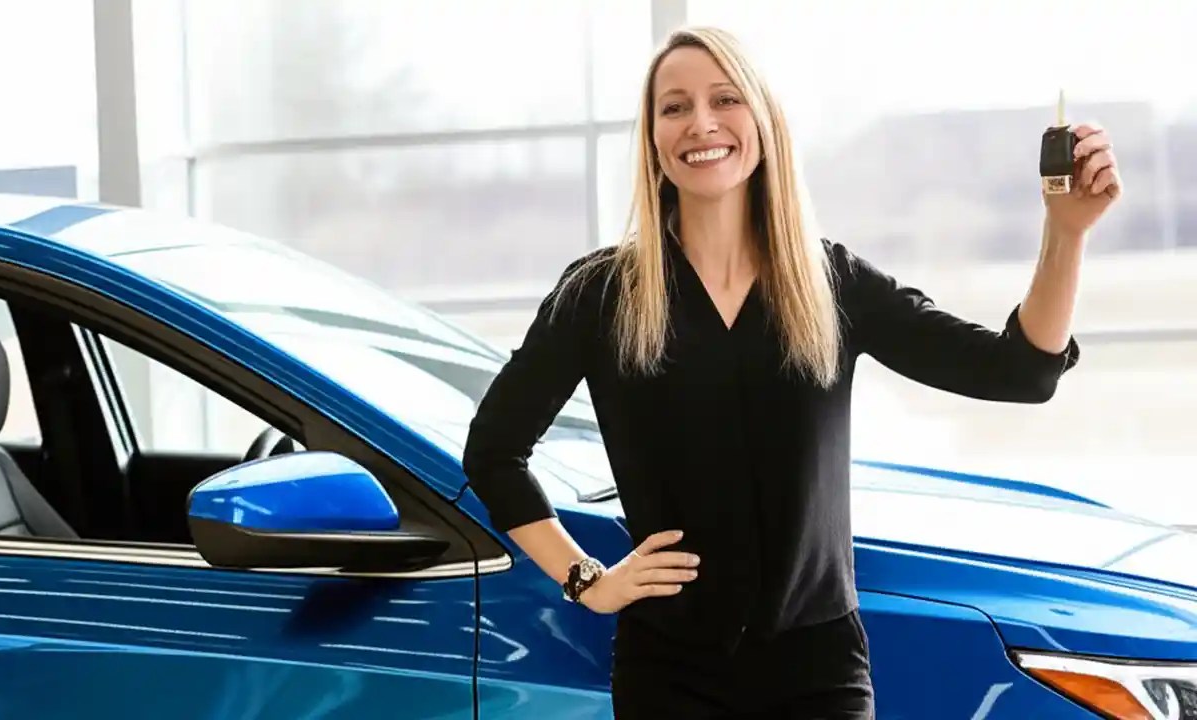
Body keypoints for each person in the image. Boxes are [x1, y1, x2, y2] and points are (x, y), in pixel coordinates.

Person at [461, 25, 1121, 720]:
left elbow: (1020, 371)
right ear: (653, 136)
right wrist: (587, 579)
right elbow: (494, 452)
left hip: (818, 674)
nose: (702, 123)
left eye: (725, 99)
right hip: (669, 674)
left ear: (763, 121)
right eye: (675, 106)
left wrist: (1066, 232)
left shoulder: (831, 282)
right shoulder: (600, 295)